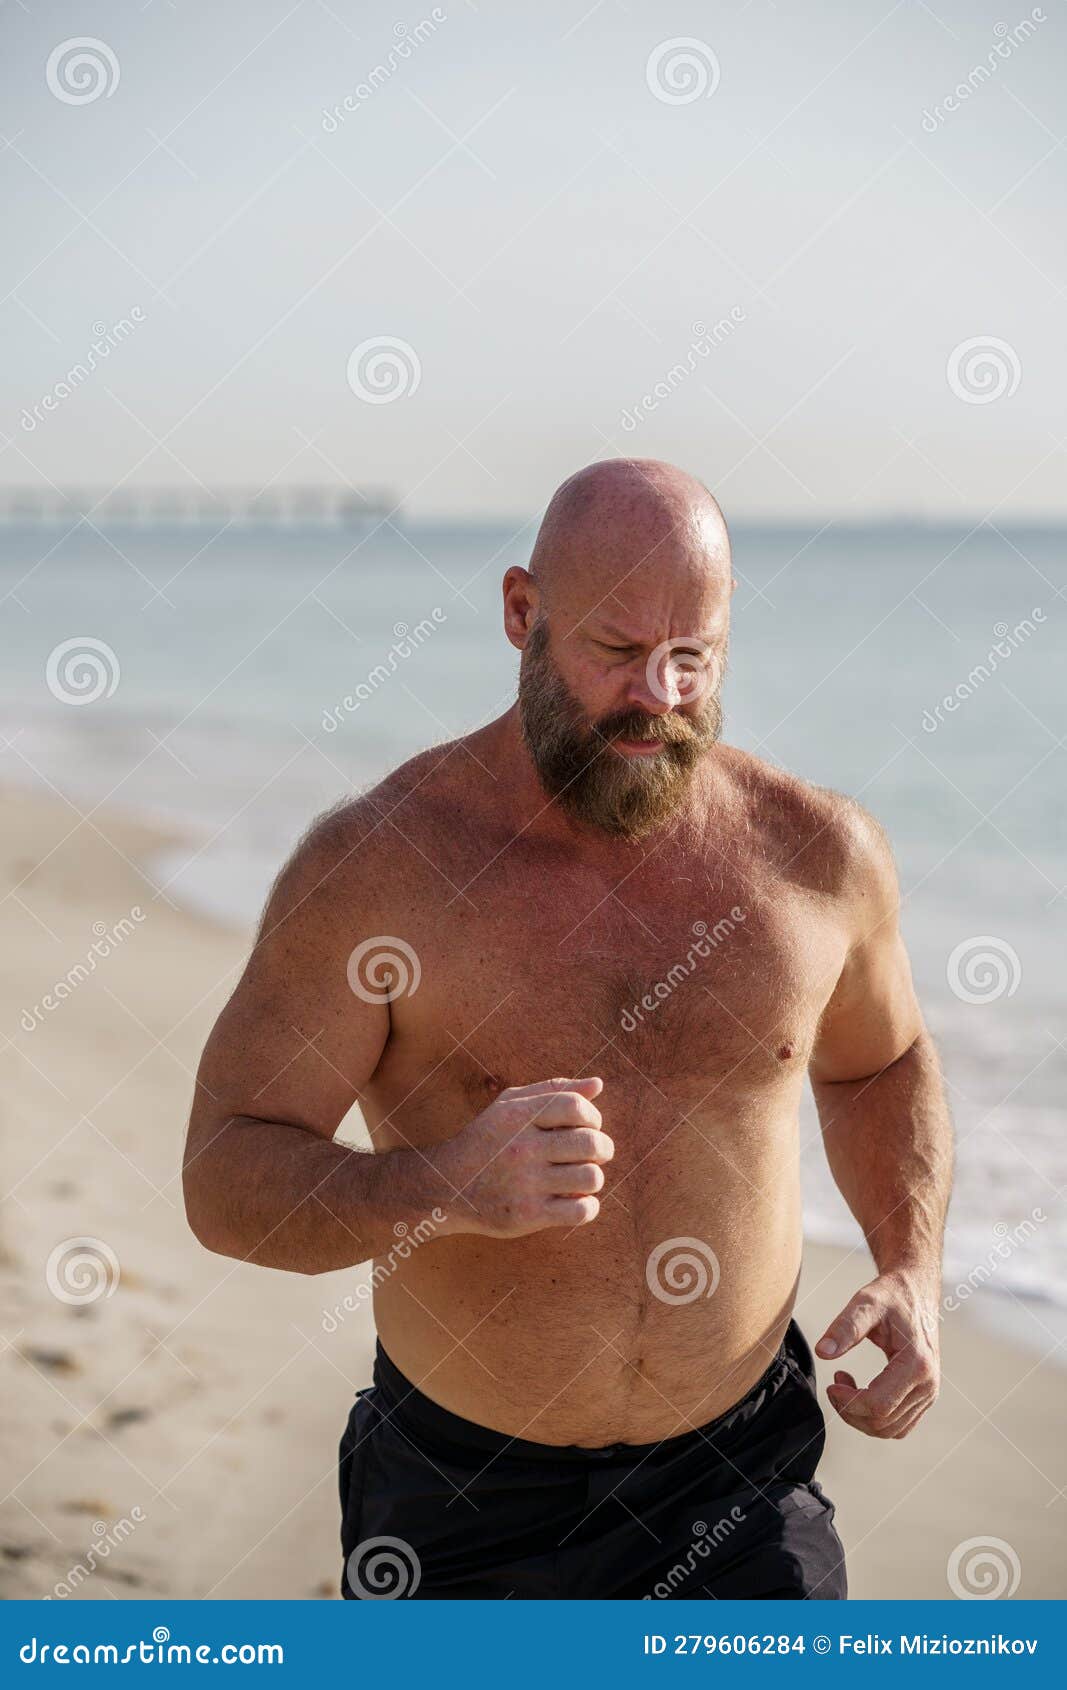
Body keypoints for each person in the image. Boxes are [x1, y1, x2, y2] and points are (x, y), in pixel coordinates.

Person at [183, 458, 952, 1600]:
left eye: (691, 656)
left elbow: (878, 1061)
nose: (658, 693)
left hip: (738, 1480)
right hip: (460, 1497)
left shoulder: (815, 856)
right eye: (614, 651)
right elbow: (225, 1176)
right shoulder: (378, 870)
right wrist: (438, 1185)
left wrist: (911, 1266)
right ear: (519, 613)